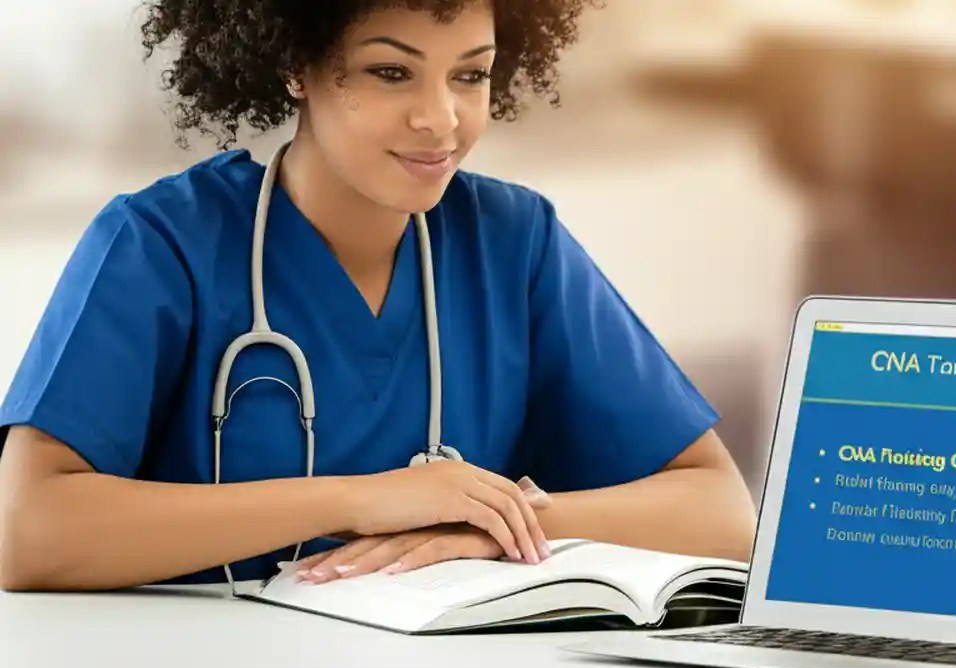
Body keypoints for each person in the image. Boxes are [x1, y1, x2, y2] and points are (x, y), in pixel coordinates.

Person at [0, 0, 757, 592]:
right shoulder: (161, 243)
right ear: (298, 63)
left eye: (471, 74)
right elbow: (29, 532)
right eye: (391, 73)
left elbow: (722, 511)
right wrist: (362, 499)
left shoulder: (515, 243)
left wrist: (490, 524)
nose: (441, 120)